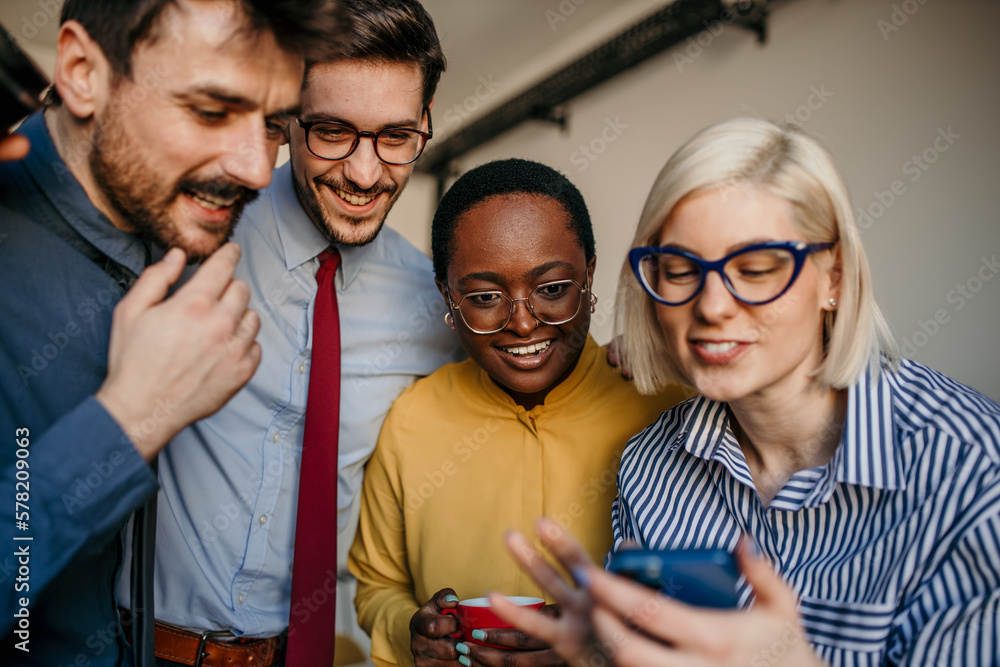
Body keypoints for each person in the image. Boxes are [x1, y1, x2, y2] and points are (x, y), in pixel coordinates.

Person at [488, 117, 1000, 667]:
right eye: (681, 270)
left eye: (755, 269)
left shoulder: (973, 473)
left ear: (835, 278)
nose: (711, 307)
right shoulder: (649, 467)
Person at [0, 1, 345, 665]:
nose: (254, 167)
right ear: (80, 71)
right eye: (212, 110)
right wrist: (125, 423)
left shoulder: (171, 231)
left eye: (273, 125)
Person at [116, 1, 461, 664]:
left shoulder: (430, 305)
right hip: (132, 646)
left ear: (425, 117)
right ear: (284, 113)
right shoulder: (188, 233)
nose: (364, 174)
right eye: (332, 131)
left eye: (395, 136)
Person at [348, 158, 692, 667]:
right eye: (486, 296)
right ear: (448, 296)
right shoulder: (412, 419)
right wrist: (412, 633)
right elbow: (377, 585)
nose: (524, 323)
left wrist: (602, 646)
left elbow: (712, 606)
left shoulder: (670, 410)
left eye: (552, 289)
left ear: (588, 275)